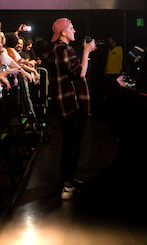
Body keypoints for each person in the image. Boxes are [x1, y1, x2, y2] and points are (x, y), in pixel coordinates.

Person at [45, 18, 96, 199]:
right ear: (63, 33)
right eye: (72, 28)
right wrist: (86, 52)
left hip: (66, 104)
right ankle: (67, 187)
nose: (74, 31)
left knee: (69, 144)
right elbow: (80, 73)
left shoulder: (60, 50)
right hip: (70, 105)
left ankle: (68, 180)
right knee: (73, 145)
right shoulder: (61, 50)